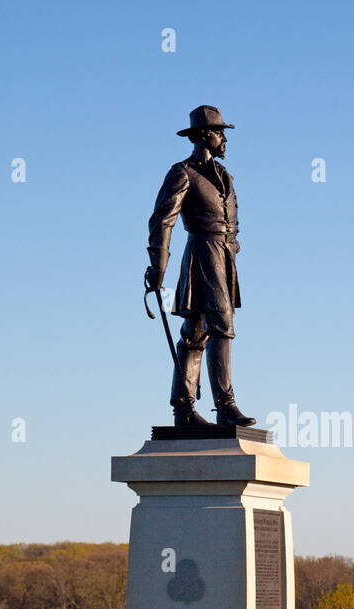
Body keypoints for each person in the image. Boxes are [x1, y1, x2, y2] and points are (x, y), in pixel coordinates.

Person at [146, 105, 255, 427]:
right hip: (202, 252)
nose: (225, 140)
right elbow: (162, 220)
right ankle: (225, 406)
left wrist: (232, 243)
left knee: (194, 333)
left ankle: (183, 408)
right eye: (220, 132)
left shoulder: (225, 175)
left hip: (224, 254)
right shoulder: (182, 172)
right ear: (206, 135)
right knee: (219, 327)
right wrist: (158, 266)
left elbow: (231, 220)